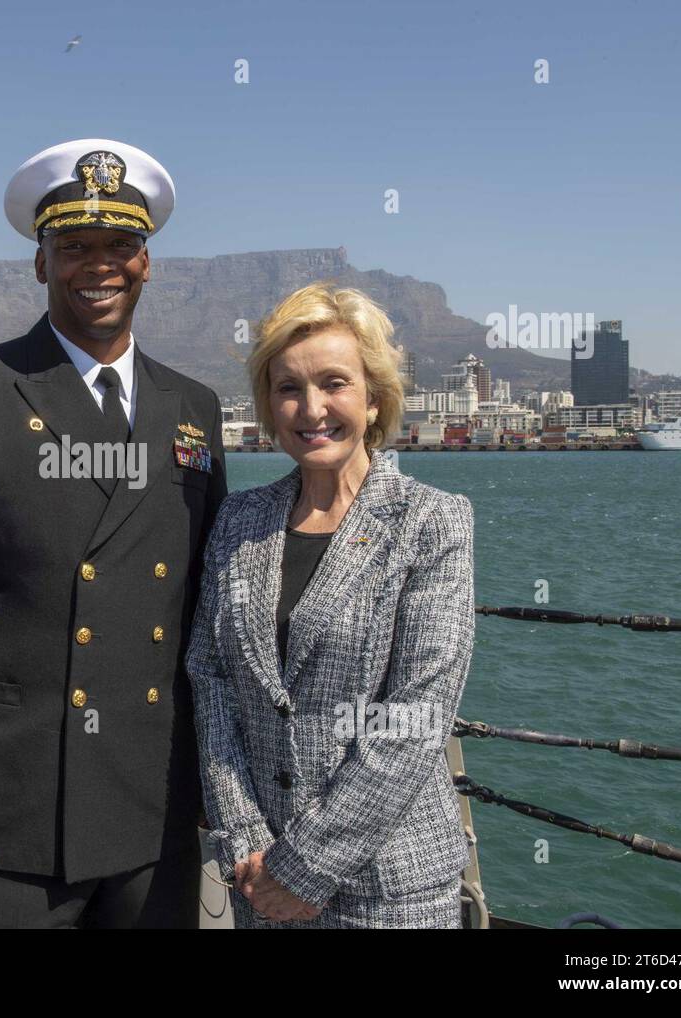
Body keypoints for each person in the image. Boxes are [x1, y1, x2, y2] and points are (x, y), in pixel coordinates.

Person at [0, 139, 227, 928]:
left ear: (147, 262)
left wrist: (214, 777)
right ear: (40, 262)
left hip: (154, 800)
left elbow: (204, 603)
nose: (98, 266)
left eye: (119, 246)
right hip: (4, 811)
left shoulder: (193, 405)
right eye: (73, 247)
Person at [187, 283, 474, 928]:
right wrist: (244, 839)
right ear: (268, 405)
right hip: (257, 875)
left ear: (374, 399)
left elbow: (417, 716)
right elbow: (210, 680)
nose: (311, 408)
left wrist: (308, 869)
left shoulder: (431, 522)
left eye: (334, 383)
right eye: (288, 387)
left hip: (389, 885)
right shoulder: (238, 521)